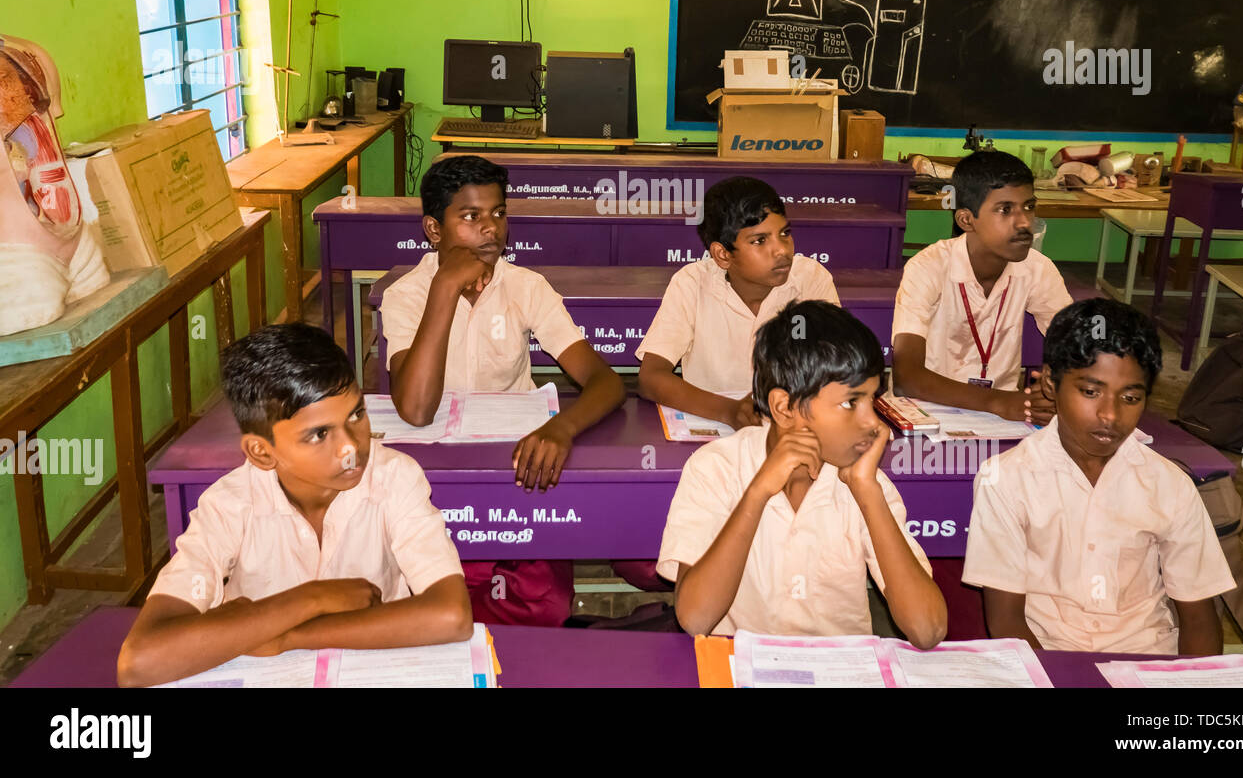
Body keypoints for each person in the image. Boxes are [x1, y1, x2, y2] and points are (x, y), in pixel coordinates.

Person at [117, 323, 471, 687]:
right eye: (319, 434)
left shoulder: (394, 478)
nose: (351, 447)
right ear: (262, 452)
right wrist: (313, 598)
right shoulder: (230, 505)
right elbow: (140, 660)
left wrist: (287, 635)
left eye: (356, 414)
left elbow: (451, 615)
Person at [380, 155, 625, 624]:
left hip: (514, 465)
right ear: (434, 230)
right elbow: (414, 409)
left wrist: (562, 429)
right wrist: (444, 290)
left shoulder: (526, 287)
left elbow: (605, 382)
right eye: (471, 217)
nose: (491, 229)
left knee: (540, 602)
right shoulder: (407, 295)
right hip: (435, 473)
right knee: (432, 599)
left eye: (498, 213)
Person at [658, 300, 946, 644]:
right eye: (850, 402)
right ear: (784, 407)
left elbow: (928, 630)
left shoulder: (865, 481)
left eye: (874, 401)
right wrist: (758, 493)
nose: (872, 422)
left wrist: (867, 494)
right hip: (738, 667)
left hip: (838, 671)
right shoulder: (717, 468)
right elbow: (695, 618)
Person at [962, 298, 1234, 655]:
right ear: (1048, 384)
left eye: (1131, 397)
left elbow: (1198, 617)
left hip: (1147, 660)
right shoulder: (1006, 479)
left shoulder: (1170, 485)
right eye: (1090, 392)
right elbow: (1007, 623)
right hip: (1046, 657)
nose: (1110, 414)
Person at [637, 176, 839, 428]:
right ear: (722, 255)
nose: (782, 250)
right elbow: (650, 377)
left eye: (784, 233)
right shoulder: (692, 284)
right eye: (759, 241)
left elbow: (836, 368)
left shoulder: (811, 280)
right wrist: (730, 412)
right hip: (715, 426)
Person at [892, 149, 1072, 423]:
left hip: (1004, 418)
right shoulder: (928, 267)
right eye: (1005, 209)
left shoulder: (1038, 269)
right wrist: (999, 401)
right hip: (927, 411)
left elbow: (1076, 346)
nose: (1025, 222)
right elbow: (907, 377)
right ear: (966, 220)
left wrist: (1057, 376)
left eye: (1029, 206)